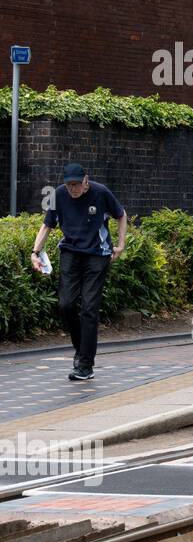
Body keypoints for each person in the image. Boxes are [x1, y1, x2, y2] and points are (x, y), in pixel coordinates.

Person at [30, 163, 127, 381]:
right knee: (66, 305)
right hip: (70, 253)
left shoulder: (101, 192)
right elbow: (47, 225)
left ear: (86, 181)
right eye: (69, 184)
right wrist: (35, 252)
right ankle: (80, 349)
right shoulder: (59, 195)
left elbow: (121, 214)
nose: (72, 189)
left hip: (97, 254)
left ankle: (85, 365)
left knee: (90, 308)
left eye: (76, 184)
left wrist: (120, 245)